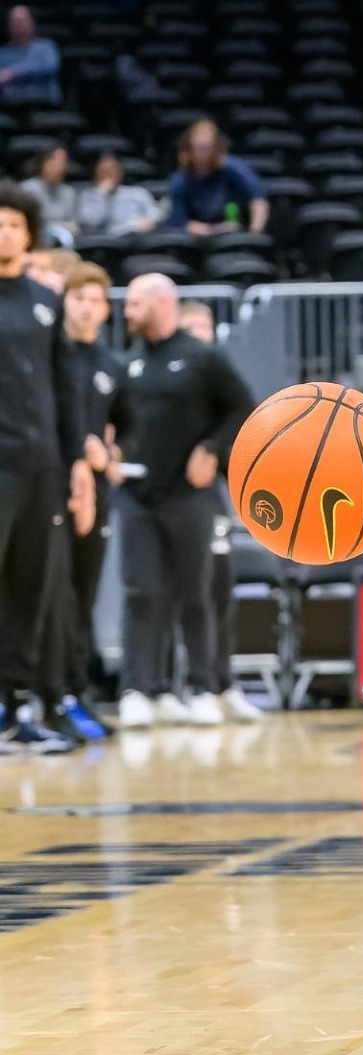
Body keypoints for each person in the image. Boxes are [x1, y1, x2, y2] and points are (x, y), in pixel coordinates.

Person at [114, 273, 254, 728]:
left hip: (191, 496)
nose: (127, 311)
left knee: (197, 592)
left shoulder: (203, 358)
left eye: (135, 303)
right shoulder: (131, 365)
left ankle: (202, 687)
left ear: (161, 302)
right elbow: (115, 422)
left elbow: (243, 406)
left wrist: (212, 448)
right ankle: (141, 689)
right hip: (138, 497)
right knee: (143, 592)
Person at [0, 182, 87, 754]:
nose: (4, 233)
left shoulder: (44, 300)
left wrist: (76, 462)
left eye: (12, 224)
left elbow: (66, 388)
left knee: (34, 589)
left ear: (28, 234)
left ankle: (16, 707)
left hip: (42, 467)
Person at [44, 261, 126, 740]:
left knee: (81, 598)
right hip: (48, 487)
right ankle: (47, 694)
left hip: (94, 494)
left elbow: (126, 427)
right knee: (49, 599)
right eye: (78, 298)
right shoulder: (49, 357)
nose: (87, 308)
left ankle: (76, 693)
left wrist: (112, 451)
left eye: (96, 300)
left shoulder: (109, 366)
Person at [166, 119, 267, 235]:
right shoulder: (179, 180)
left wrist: (255, 232)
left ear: (216, 149)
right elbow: (179, 223)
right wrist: (212, 230)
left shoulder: (231, 168)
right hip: (195, 238)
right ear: (190, 149)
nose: (202, 155)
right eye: (199, 148)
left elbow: (258, 198)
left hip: (231, 234)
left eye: (207, 148)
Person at [76, 152, 162, 237]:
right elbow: (92, 222)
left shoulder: (138, 193)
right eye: (103, 171)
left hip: (137, 237)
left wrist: (148, 221)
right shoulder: (88, 196)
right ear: (96, 174)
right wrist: (101, 196)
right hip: (105, 240)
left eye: (112, 171)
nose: (108, 175)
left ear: (120, 173)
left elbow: (156, 215)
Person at [0, 5, 58, 105]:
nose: (19, 25)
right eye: (14, 22)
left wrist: (13, 72)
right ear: (9, 26)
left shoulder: (46, 47)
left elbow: (49, 66)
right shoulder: (3, 53)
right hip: (11, 106)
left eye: (22, 21)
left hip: (44, 106)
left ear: (31, 23)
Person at [20, 145, 76, 235]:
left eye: (64, 161)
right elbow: (33, 222)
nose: (61, 166)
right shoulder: (28, 189)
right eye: (56, 161)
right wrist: (60, 226)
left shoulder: (69, 192)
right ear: (44, 163)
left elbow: (74, 225)